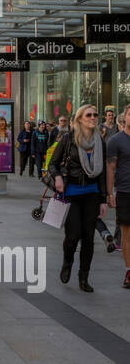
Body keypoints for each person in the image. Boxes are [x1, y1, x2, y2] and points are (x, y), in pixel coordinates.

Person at [51, 104, 107, 293]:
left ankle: (84, 277)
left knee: (89, 239)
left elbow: (102, 173)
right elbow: (53, 164)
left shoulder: (100, 141)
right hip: (72, 195)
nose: (93, 117)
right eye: (88, 115)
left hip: (91, 194)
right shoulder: (68, 139)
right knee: (73, 236)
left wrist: (103, 199)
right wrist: (58, 177)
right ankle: (68, 261)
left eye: (95, 115)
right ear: (80, 119)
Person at [106, 105, 130, 290]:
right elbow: (110, 168)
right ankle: (129, 271)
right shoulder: (116, 140)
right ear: (125, 117)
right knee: (126, 234)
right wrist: (109, 193)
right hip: (124, 192)